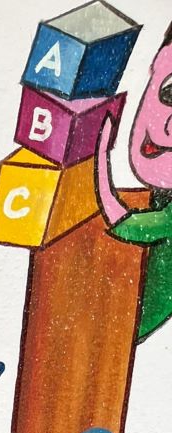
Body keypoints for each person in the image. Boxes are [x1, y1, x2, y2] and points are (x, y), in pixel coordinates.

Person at [95, 22, 172, 343]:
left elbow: (123, 223)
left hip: (127, 328)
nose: (167, 126)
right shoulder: (159, 196)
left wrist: (98, 161)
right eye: (169, 93)